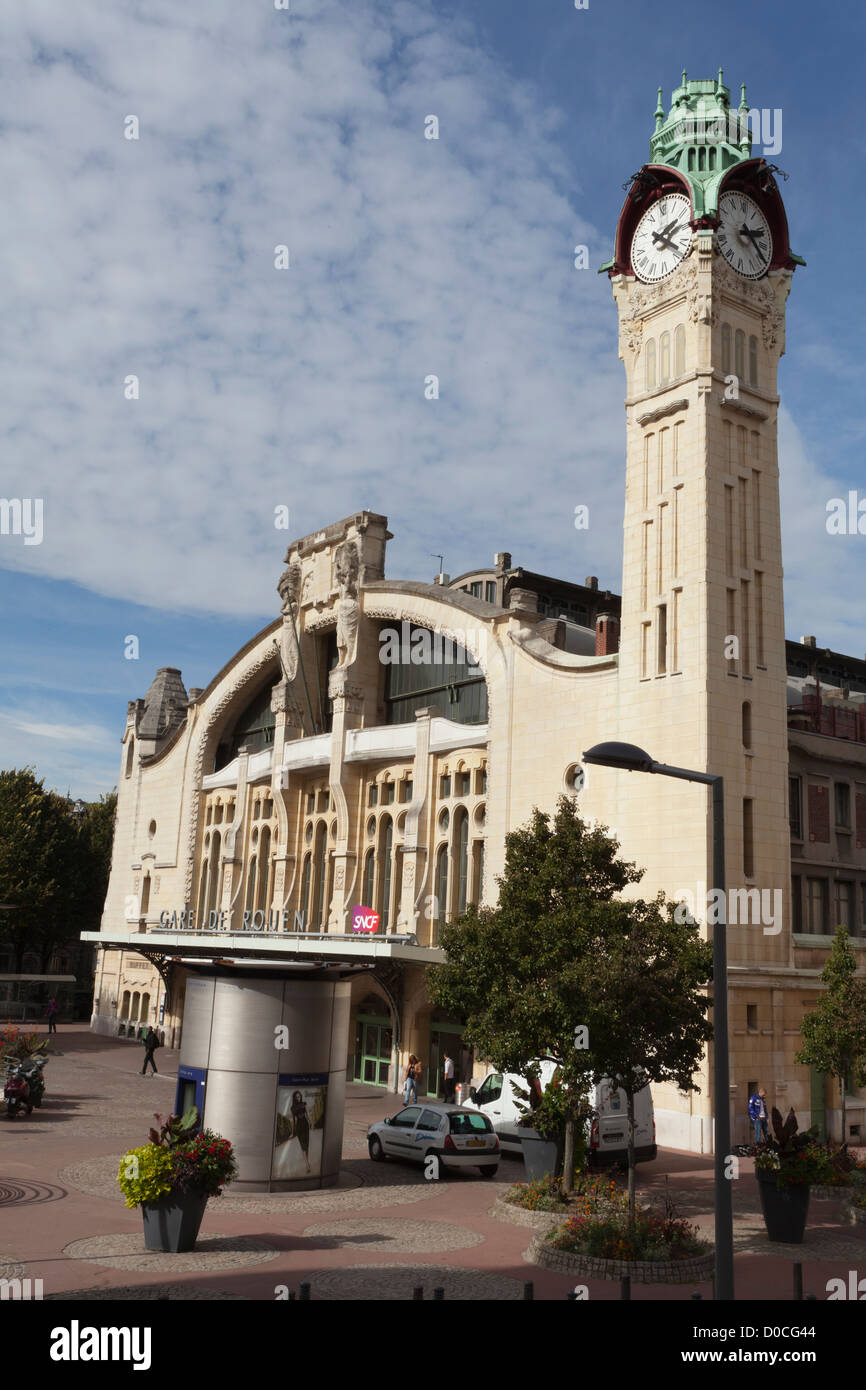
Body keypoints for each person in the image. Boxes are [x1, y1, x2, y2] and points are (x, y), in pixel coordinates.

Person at [291, 1090, 311, 1173]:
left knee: (307, 1145)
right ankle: (307, 1166)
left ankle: (307, 1162)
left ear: (301, 1096)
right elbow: (294, 1120)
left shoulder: (304, 1104)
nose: (298, 1098)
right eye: (296, 1097)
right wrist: (293, 1132)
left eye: (299, 1096)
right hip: (299, 1127)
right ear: (294, 1098)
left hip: (306, 1125)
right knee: (303, 1147)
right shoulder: (293, 1108)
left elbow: (307, 1114)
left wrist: (311, 1123)